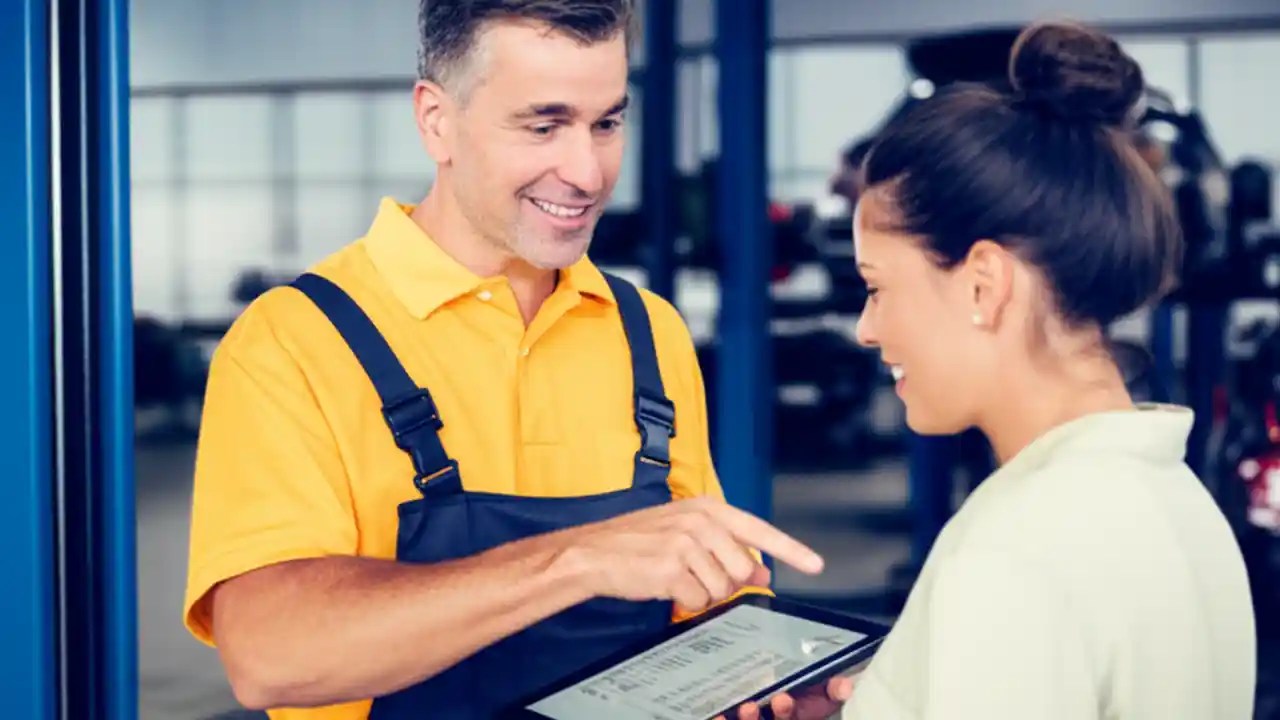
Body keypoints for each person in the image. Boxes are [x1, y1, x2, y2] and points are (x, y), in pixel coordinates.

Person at [181, 1, 847, 719]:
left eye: (608, 123)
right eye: (543, 126)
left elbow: (701, 589)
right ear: (437, 121)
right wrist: (577, 561)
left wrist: (757, 679)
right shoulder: (294, 341)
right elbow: (270, 654)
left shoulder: (647, 332)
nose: (587, 173)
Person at [832, 20, 1256, 720]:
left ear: (982, 284)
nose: (867, 329)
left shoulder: (1014, 551)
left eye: (877, 287)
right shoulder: (1179, 500)